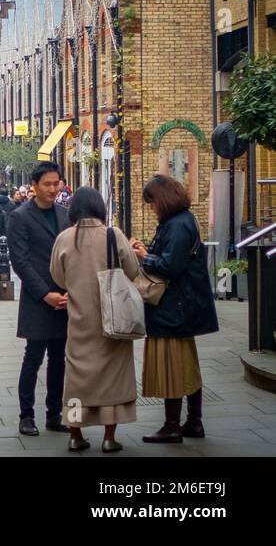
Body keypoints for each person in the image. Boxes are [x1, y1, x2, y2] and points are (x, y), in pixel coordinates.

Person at [48, 187, 140, 452]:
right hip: (113, 319)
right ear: (100, 207)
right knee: (113, 379)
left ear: (74, 209)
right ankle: (109, 437)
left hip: (79, 320)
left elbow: (57, 277)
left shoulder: (65, 239)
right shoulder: (113, 234)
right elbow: (132, 271)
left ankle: (75, 434)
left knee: (76, 381)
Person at [131, 175, 220, 443]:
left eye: (152, 202)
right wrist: (149, 252)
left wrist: (144, 256)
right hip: (181, 305)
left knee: (173, 365)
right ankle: (193, 422)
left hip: (175, 307)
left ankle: (172, 426)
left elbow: (171, 266)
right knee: (187, 365)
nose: (151, 208)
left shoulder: (178, 225)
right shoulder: (181, 221)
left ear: (163, 199)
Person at [7, 161, 70, 437]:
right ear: (34, 185)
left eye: (56, 184)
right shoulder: (20, 217)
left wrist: (69, 291)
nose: (53, 189)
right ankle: (26, 415)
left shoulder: (65, 214)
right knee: (33, 357)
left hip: (65, 299)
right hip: (37, 299)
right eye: (47, 184)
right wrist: (45, 294)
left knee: (60, 359)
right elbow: (20, 262)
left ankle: (54, 414)